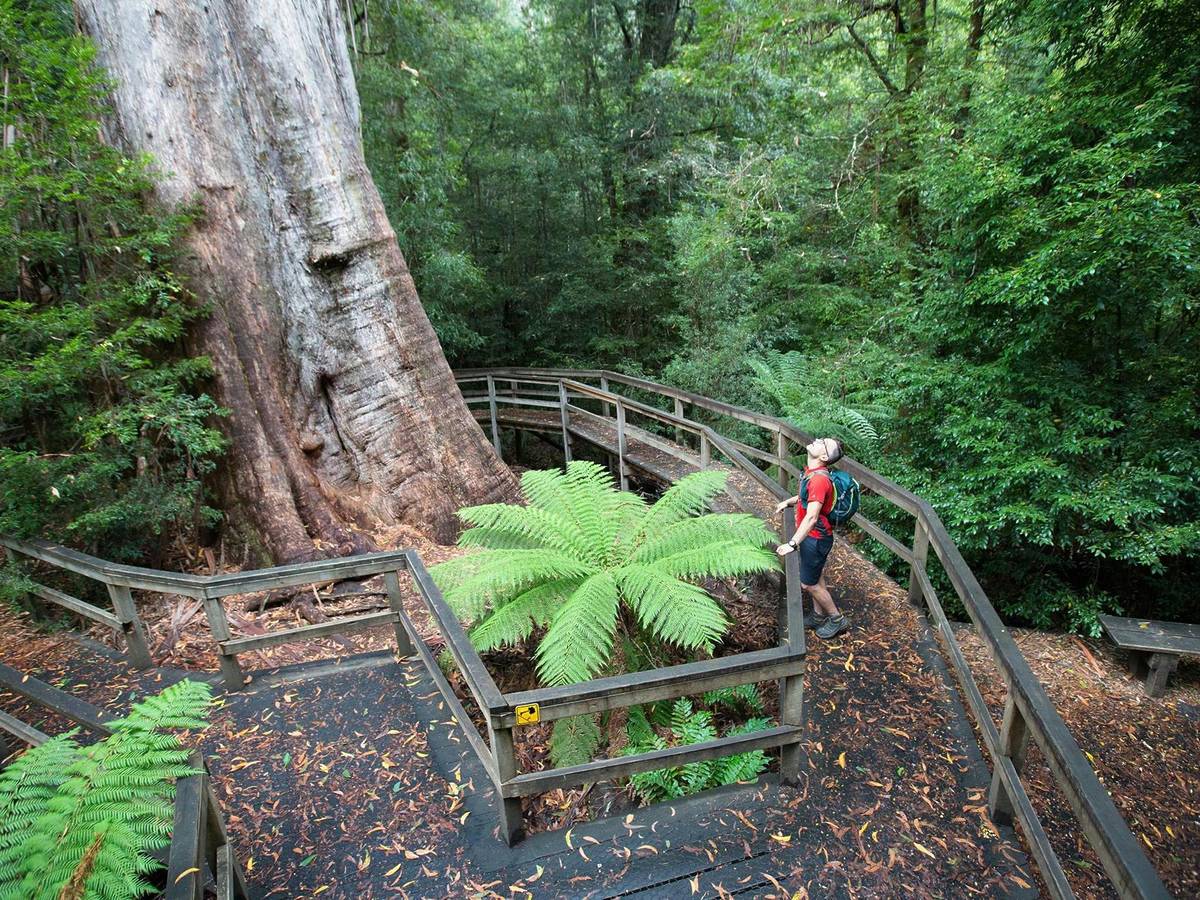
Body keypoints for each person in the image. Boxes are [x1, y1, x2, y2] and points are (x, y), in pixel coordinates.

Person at [775, 437, 848, 639]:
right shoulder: (813, 473)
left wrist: (792, 543)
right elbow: (806, 498)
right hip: (813, 536)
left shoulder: (819, 480)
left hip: (816, 538)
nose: (817, 440)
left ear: (824, 456)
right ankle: (817, 616)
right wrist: (788, 502)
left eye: (823, 443)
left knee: (808, 584)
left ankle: (837, 619)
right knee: (816, 577)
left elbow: (812, 517)